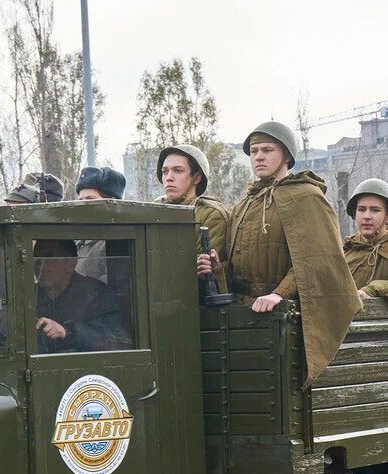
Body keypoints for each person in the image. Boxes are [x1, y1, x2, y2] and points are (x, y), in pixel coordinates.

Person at [224, 120, 361, 385]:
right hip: (240, 315)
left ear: (286, 155)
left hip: (285, 318)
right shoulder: (244, 204)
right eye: (254, 151)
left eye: (267, 150)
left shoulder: (306, 197)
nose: (259, 157)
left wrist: (279, 294)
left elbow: (317, 260)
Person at [33, 238, 131, 353]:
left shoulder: (97, 294)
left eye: (49, 258)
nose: (40, 265)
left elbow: (116, 341)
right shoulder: (30, 294)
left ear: (71, 264)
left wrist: (67, 332)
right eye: (36, 258)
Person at [154, 144, 230, 288]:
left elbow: (209, 271)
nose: (169, 178)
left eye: (178, 171)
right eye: (165, 172)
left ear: (197, 178)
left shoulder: (211, 214)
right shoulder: (154, 209)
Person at [74, 167, 127, 281]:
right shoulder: (80, 241)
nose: (82, 206)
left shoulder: (118, 241)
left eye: (90, 200)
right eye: (80, 200)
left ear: (112, 203)